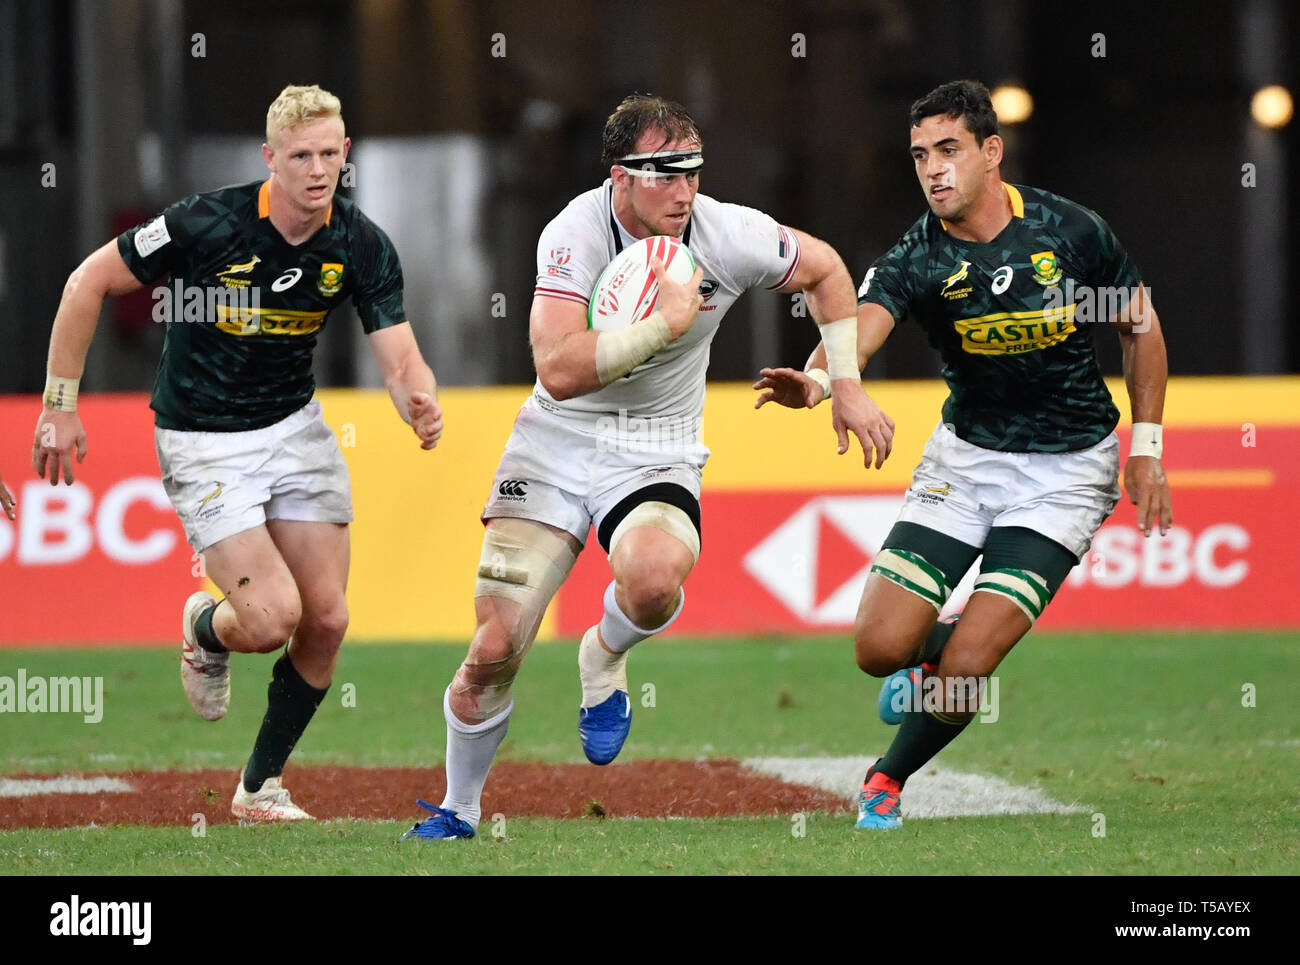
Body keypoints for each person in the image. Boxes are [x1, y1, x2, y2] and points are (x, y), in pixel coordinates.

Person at [403, 93, 893, 840]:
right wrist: (661, 325)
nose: (684, 188)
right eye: (662, 172)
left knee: (658, 581)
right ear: (619, 177)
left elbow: (827, 271)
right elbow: (558, 368)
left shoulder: (728, 233)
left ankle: (603, 654)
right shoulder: (573, 231)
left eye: (692, 170)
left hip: (657, 443)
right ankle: (459, 810)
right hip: (557, 438)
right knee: (494, 648)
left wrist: (838, 382)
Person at [754, 79, 1171, 829]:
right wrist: (821, 382)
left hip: (1068, 473)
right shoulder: (918, 258)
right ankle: (925, 654)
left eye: (948, 150)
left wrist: (1146, 447)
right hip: (967, 463)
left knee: (971, 666)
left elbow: (1139, 326)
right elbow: (863, 325)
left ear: (991, 152)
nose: (933, 169)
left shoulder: (1068, 235)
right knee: (880, 649)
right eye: (919, 155)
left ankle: (886, 777)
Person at [31, 84, 443, 822]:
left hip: (295, 430)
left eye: (329, 154)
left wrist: (417, 397)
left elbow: (400, 356)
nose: (318, 170)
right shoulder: (205, 223)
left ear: (345, 154)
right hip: (204, 438)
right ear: (270, 160)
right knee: (266, 619)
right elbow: (86, 281)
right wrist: (59, 406)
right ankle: (204, 629)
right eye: (301, 156)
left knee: (327, 622)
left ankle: (260, 788)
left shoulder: (358, 242)